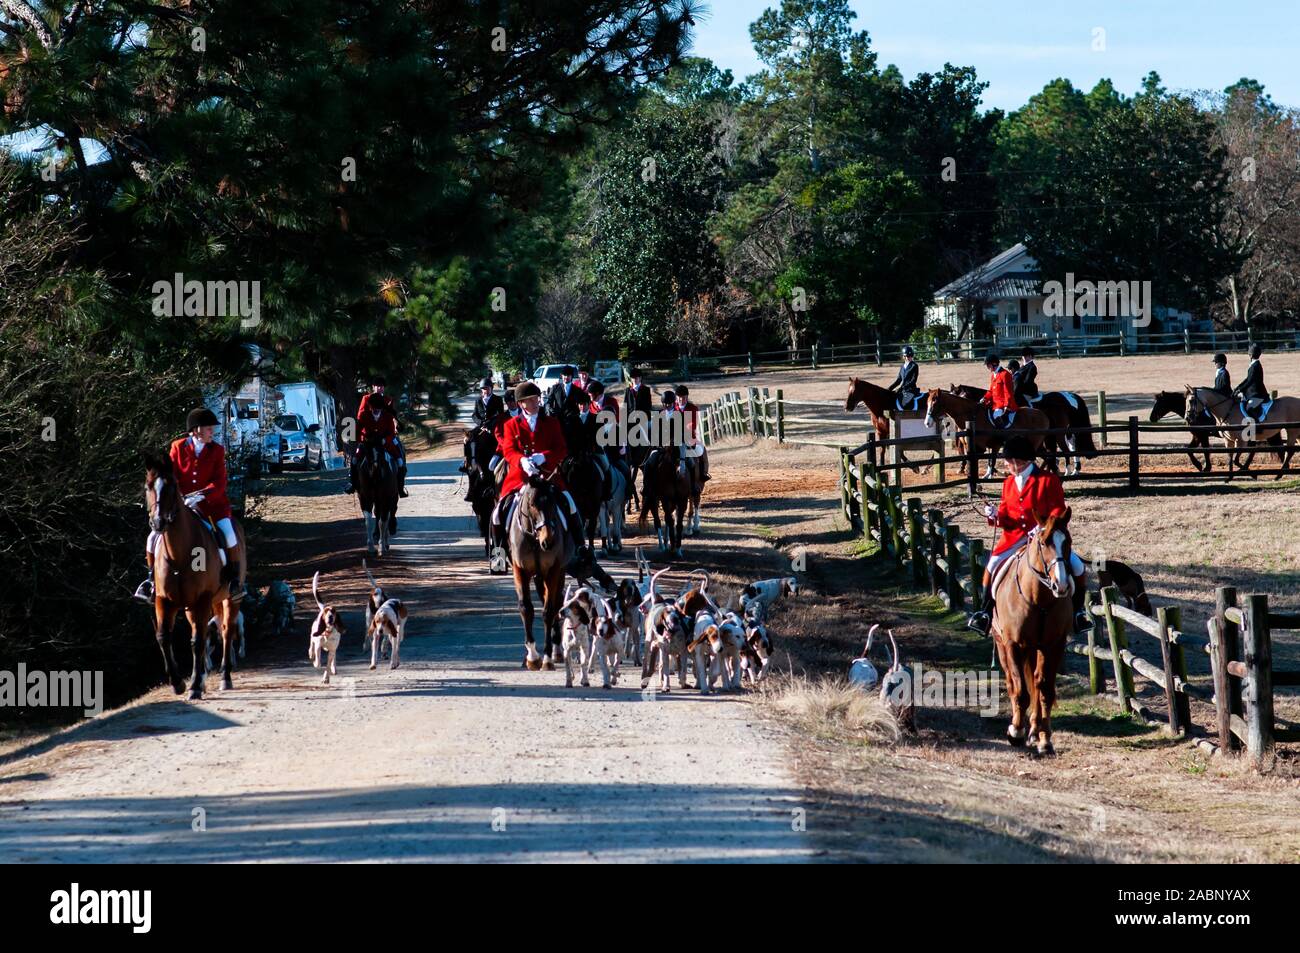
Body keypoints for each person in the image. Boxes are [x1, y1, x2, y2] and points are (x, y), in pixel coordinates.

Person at [967, 436, 1090, 636]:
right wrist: (995, 515)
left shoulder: (1048, 480)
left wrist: (1044, 527)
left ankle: (1079, 613)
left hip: (1045, 539)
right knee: (990, 568)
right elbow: (1007, 516)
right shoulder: (1008, 483)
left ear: (1019, 461)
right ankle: (985, 613)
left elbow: (1059, 509)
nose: (1005, 464)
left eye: (1007, 461)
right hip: (1014, 538)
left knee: (1077, 566)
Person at [134, 408, 240, 602]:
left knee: (229, 534)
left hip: (212, 506)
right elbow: (170, 476)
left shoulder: (217, 451)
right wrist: (179, 497)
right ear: (196, 430)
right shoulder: (177, 447)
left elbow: (220, 482)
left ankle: (233, 581)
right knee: (152, 539)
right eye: (209, 428)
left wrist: (201, 495)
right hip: (182, 506)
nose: (212, 432)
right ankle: (150, 581)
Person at [492, 380, 593, 573]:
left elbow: (561, 449)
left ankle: (581, 548)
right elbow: (508, 449)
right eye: (530, 400)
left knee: (570, 503)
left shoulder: (552, 423)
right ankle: (499, 556)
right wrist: (521, 460)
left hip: (548, 476)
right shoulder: (511, 424)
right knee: (498, 512)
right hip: (520, 477)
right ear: (521, 404)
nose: (535, 403)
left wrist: (543, 457)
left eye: (536, 399)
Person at [347, 375, 408, 497]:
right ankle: (353, 484)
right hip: (368, 438)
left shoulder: (388, 399)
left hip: (385, 436)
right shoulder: (366, 398)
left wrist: (395, 426)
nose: (380, 388)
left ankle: (400, 488)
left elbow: (392, 417)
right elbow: (360, 418)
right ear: (373, 387)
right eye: (377, 386)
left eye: (381, 386)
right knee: (354, 460)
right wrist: (359, 437)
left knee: (400, 457)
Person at [585, 379, 630, 495]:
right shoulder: (591, 405)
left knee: (624, 468)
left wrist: (622, 443)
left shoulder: (611, 402)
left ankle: (629, 491)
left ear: (598, 394)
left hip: (614, 440)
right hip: (598, 444)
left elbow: (618, 422)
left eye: (591, 395)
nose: (590, 398)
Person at [675, 384, 709, 484]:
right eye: (680, 397)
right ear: (677, 398)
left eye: (684, 397)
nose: (682, 399)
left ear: (687, 397)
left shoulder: (693, 408)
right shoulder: (673, 408)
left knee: (701, 452)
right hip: (674, 439)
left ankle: (703, 474)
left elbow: (693, 424)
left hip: (689, 438)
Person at [981, 353, 1019, 429]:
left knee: (997, 417)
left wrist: (1007, 406)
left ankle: (1002, 439)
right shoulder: (993, 375)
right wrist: (984, 398)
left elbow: (1008, 392)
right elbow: (991, 391)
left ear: (994, 364)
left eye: (988, 365)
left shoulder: (1005, 374)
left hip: (1002, 406)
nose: (987, 367)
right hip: (994, 405)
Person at [1233, 344, 1268, 417]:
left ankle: (1255, 425)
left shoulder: (1255, 366)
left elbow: (1250, 381)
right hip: (1252, 393)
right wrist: (1238, 387)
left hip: (1257, 394)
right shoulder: (1254, 365)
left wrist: (1240, 390)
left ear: (1251, 356)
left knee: (1249, 408)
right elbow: (1248, 379)